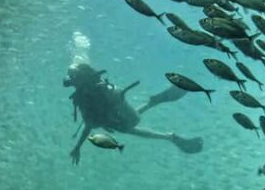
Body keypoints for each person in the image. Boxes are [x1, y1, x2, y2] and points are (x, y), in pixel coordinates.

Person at [63, 62, 204, 165]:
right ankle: (153, 105)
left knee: (128, 127)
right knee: (128, 125)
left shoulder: (84, 96)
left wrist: (77, 146)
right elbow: (91, 120)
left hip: (113, 107)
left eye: (72, 78)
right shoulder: (91, 90)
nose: (70, 82)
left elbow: (89, 124)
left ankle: (169, 135)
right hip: (115, 102)